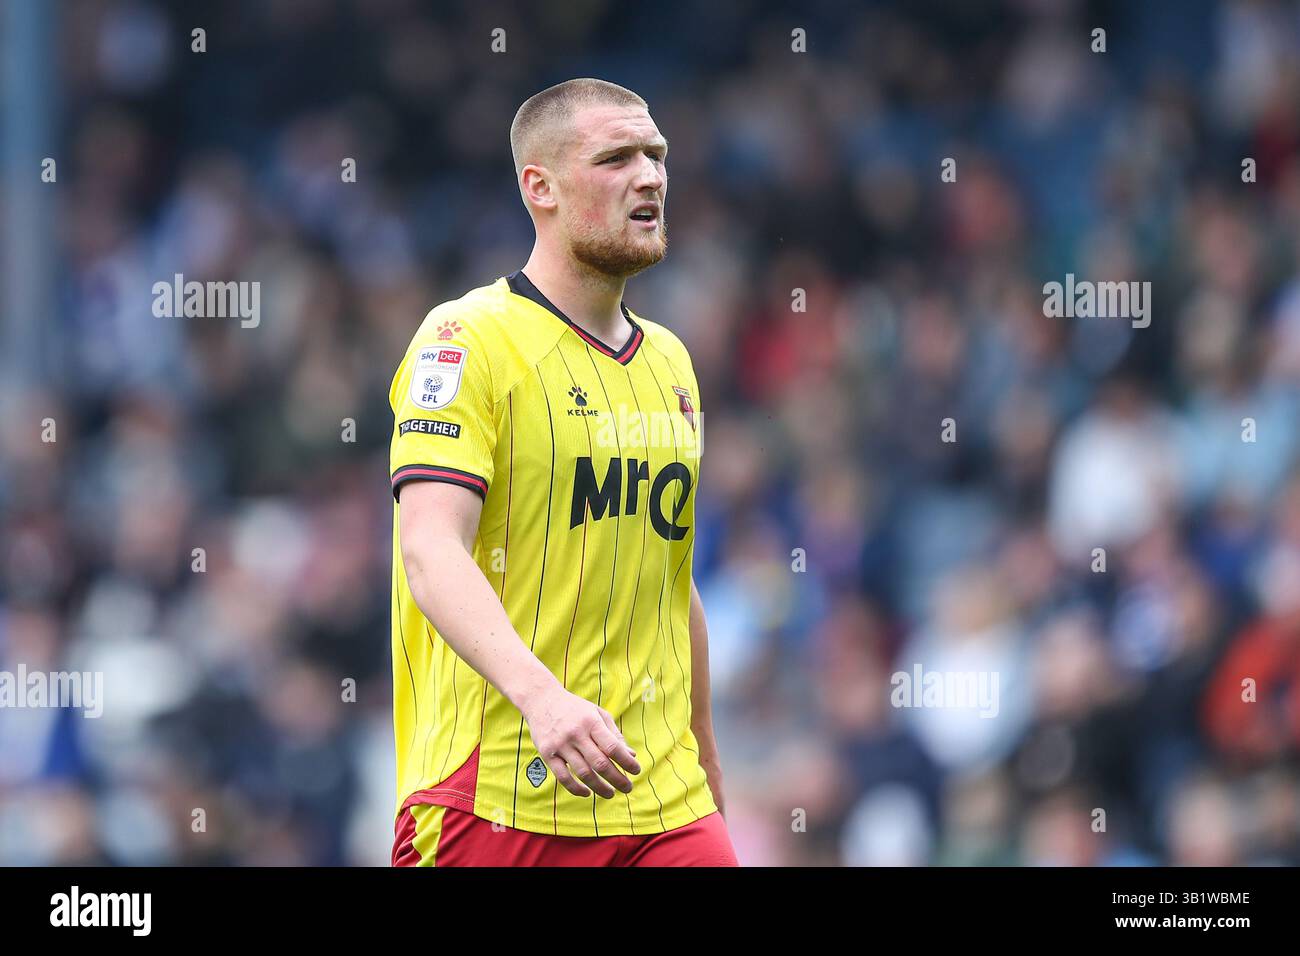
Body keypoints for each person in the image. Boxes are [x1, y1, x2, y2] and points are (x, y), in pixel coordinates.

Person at [388, 77, 737, 866]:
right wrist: (544, 699)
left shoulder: (673, 363)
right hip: (499, 792)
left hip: (664, 801)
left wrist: (706, 759)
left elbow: (667, 577)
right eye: (616, 158)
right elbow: (429, 550)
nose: (649, 176)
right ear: (537, 187)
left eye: (657, 156)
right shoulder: (464, 340)